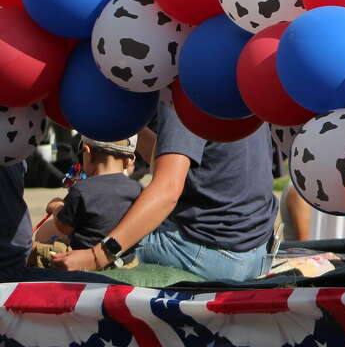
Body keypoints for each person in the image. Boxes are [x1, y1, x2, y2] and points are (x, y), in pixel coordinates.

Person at [53, 100, 278, 282]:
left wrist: (96, 256)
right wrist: (130, 124)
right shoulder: (232, 88)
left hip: (209, 255)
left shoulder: (184, 97)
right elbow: (179, 156)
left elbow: (167, 191)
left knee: (86, 225)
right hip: (258, 252)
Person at [31, 136, 142, 268]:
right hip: (125, 261)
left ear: (87, 152)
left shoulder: (81, 190)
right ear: (129, 160)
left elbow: (64, 227)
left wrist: (56, 207)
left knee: (31, 250)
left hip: (82, 258)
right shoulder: (137, 188)